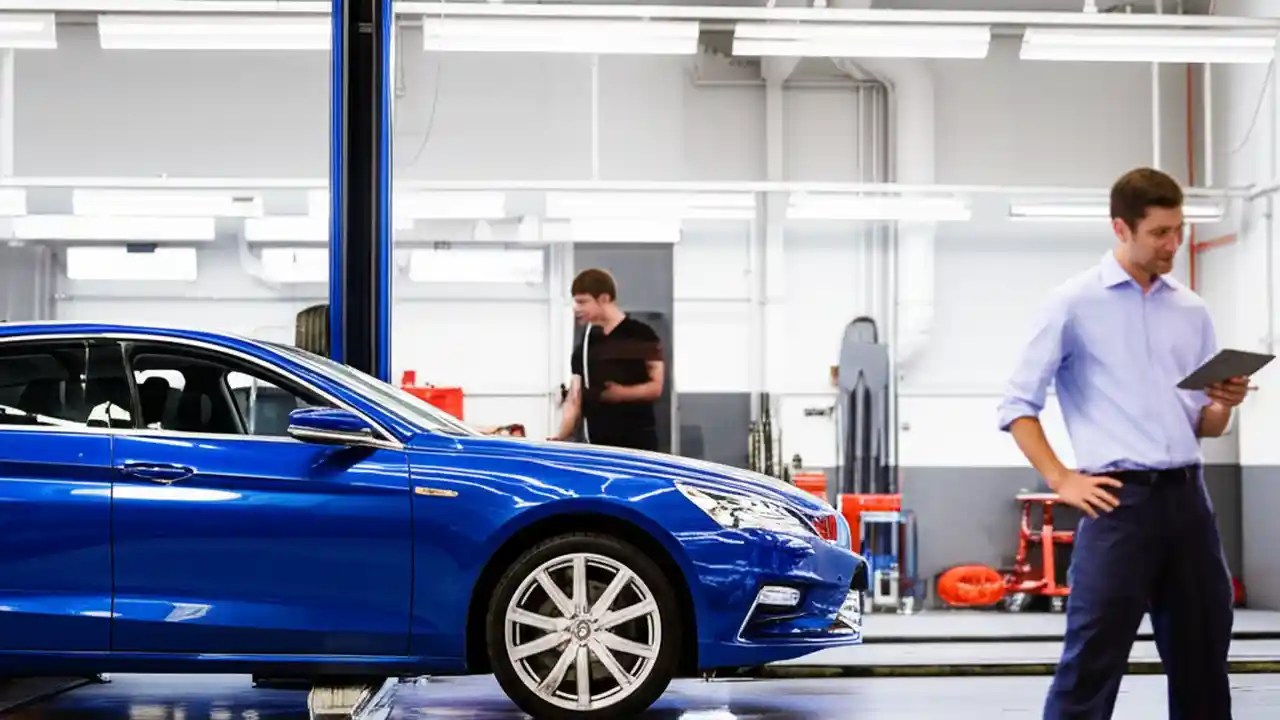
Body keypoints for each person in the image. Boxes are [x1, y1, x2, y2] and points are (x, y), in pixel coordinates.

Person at [996, 167, 1250, 720]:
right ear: (1121, 228)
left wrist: (1225, 401)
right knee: (1092, 660)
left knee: (1204, 657)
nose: (1173, 245)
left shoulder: (1191, 309)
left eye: (1178, 230)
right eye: (1159, 232)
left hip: (1189, 502)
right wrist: (1062, 478)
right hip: (1118, 503)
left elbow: (1204, 425)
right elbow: (1017, 406)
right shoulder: (1073, 304)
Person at [550, 268, 665, 451]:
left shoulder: (641, 334)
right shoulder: (584, 346)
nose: (576, 308)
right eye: (575, 302)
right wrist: (559, 437)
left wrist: (622, 394)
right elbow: (574, 398)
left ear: (604, 298)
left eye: (582, 302)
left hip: (639, 445)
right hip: (599, 448)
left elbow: (656, 386)